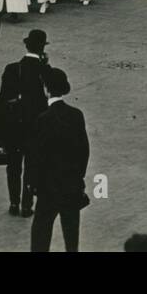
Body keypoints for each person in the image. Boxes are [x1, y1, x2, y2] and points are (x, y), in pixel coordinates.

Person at [26, 66, 90, 253]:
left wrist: (32, 183)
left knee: (41, 232)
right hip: (71, 185)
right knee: (71, 235)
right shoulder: (76, 115)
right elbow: (84, 151)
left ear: (46, 89)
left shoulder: (42, 119)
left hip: (48, 188)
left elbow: (35, 156)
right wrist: (78, 177)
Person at [0, 29, 50, 217]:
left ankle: (13, 202)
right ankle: (27, 205)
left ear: (26, 46)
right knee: (32, 167)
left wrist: (2, 127)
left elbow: (1, 103)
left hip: (14, 127)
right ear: (42, 48)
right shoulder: (44, 71)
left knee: (13, 167)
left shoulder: (12, 69)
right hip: (35, 129)